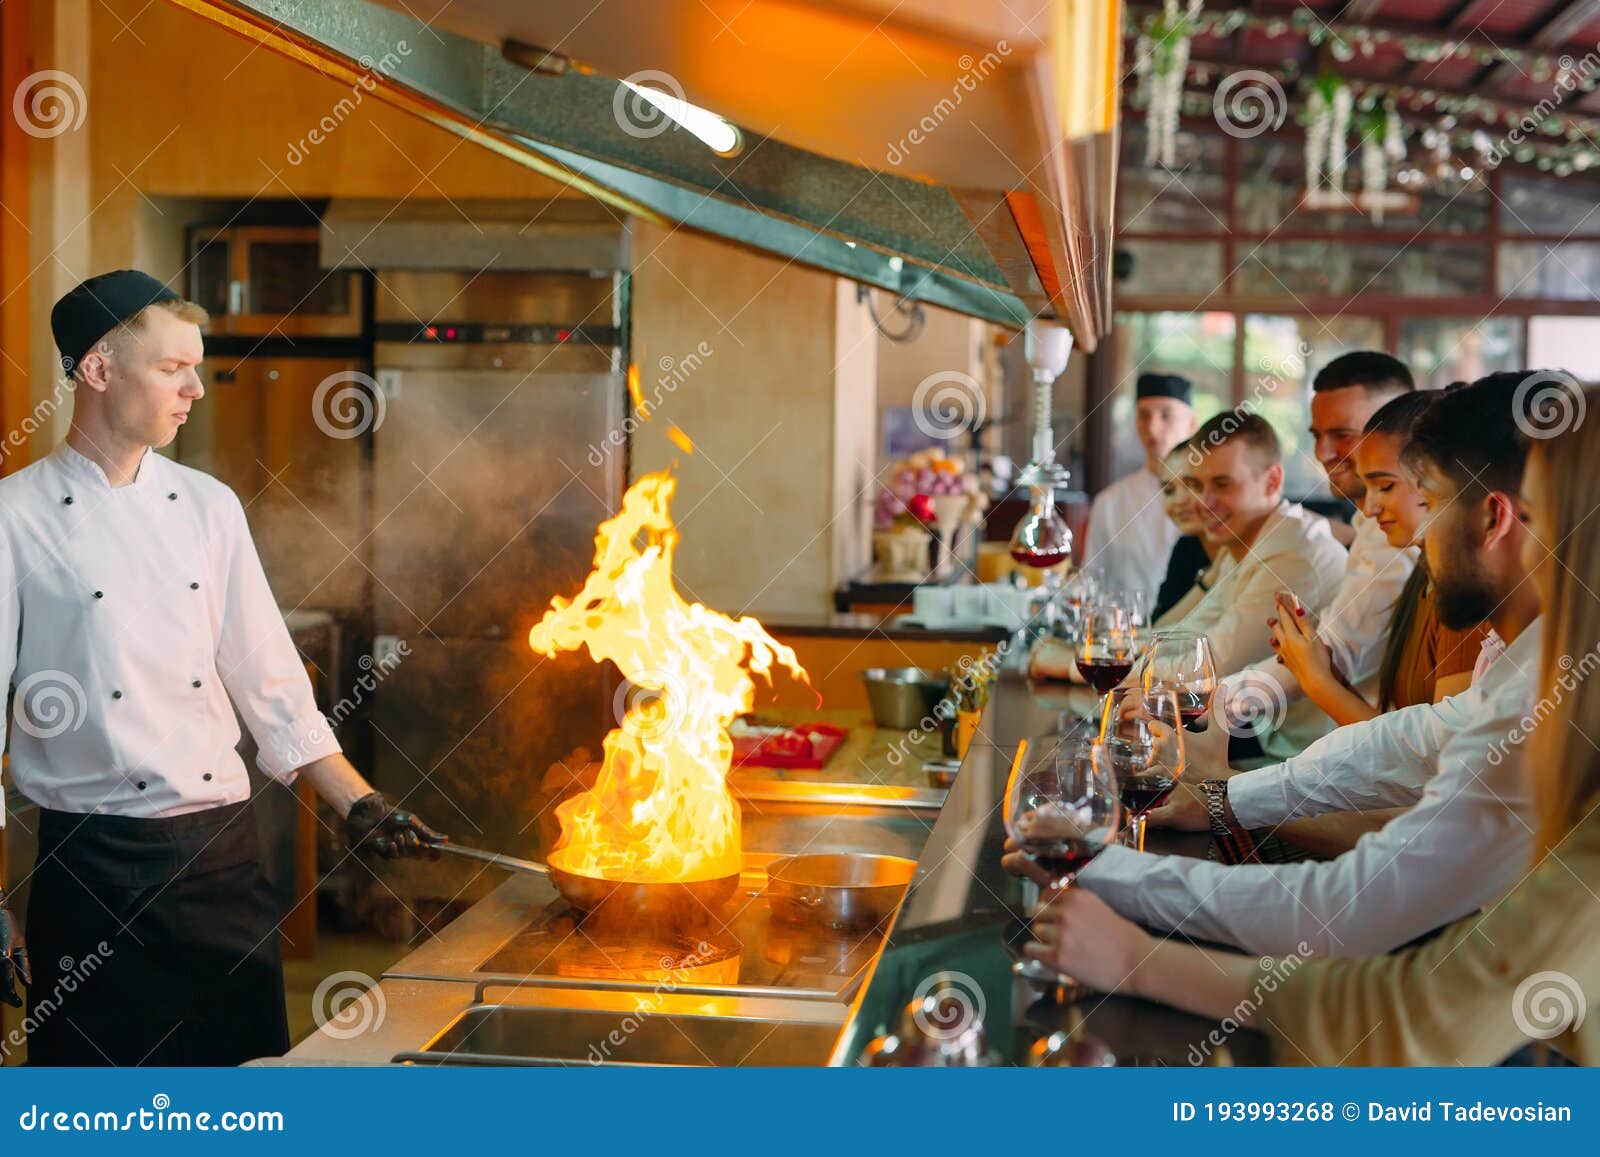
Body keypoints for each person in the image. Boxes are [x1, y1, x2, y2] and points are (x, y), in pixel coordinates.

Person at [1024, 379, 1600, 1065]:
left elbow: (1369, 942)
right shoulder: (1537, 661)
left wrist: (1124, 916)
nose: (1410, 523)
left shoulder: (1542, 685)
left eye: (1427, 497)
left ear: (1500, 517)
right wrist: (1216, 799)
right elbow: (1403, 741)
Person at [0, 271, 441, 1065]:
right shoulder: (15, 517)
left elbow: (267, 677)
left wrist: (357, 801)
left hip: (222, 864)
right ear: (98, 369)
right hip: (92, 871)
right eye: (173, 368)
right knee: (95, 1112)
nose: (196, 389)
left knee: (246, 1097)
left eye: (196, 368)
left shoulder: (208, 505)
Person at [1214, 352, 1419, 756]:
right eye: (1316, 434)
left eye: (1342, 433)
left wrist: (1208, 701)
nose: (1323, 451)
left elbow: (1333, 655)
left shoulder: (1389, 537)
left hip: (1368, 764)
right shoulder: (1367, 524)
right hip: (1349, 755)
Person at [1270, 391, 1486, 722]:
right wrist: (1318, 668)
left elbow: (1438, 760)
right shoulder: (1423, 573)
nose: (1370, 508)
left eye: (1385, 487)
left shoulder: (1468, 594)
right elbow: (1392, 734)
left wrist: (1317, 680)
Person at [1153, 411, 1346, 676]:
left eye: (1222, 485)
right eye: (1197, 486)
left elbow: (1211, 665)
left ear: (1272, 481)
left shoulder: (1293, 553)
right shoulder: (1243, 541)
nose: (1202, 503)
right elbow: (1185, 635)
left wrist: (1086, 665)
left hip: (1311, 719)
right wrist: (1107, 652)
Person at [1080, 373, 1197, 608]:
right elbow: (1091, 583)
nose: (1153, 427)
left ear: (1192, 423)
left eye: (1166, 415)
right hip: (1126, 637)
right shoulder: (1110, 502)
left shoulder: (1211, 500)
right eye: (1144, 415)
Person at [1150, 441, 1212, 621]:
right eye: (1169, 490)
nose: (1179, 500)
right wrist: (1207, 581)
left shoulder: (1240, 553)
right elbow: (1157, 630)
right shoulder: (1186, 549)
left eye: (1192, 485)